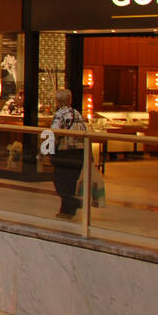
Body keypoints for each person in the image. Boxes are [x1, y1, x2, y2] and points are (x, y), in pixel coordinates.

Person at [49, 88, 87, 219]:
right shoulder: (77, 113)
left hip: (65, 151)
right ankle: (68, 208)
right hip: (79, 151)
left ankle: (69, 206)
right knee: (71, 181)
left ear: (58, 101)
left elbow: (54, 132)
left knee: (61, 180)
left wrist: (48, 149)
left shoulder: (60, 114)